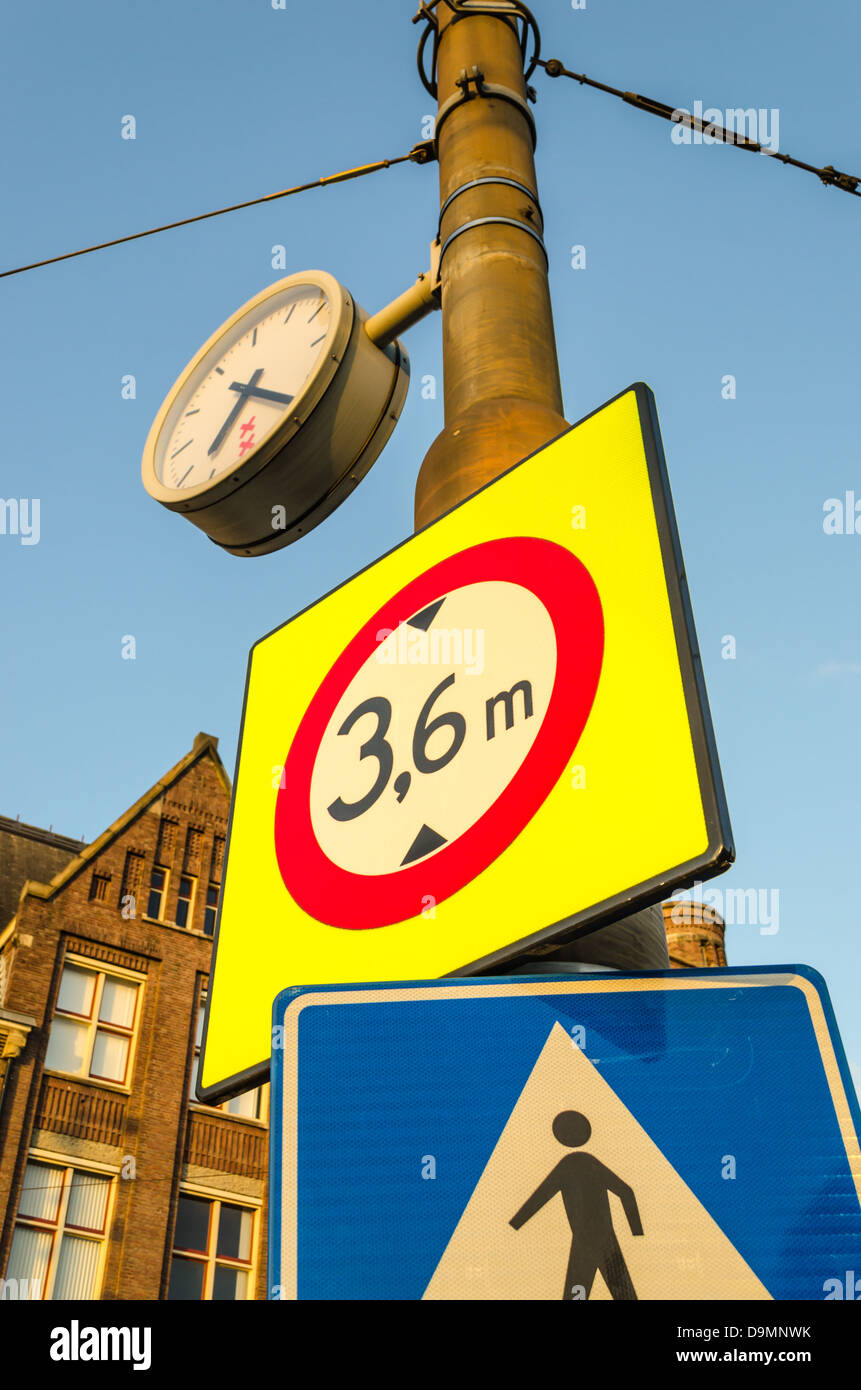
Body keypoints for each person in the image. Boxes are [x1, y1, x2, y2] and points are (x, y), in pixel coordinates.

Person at [510, 1110, 643, 1300]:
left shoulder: (569, 1165)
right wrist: (636, 1230)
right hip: (603, 1238)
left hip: (586, 1240)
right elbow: (626, 1192)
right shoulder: (587, 1163)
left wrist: (516, 1224)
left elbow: (540, 1197)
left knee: (580, 1292)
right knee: (622, 1294)